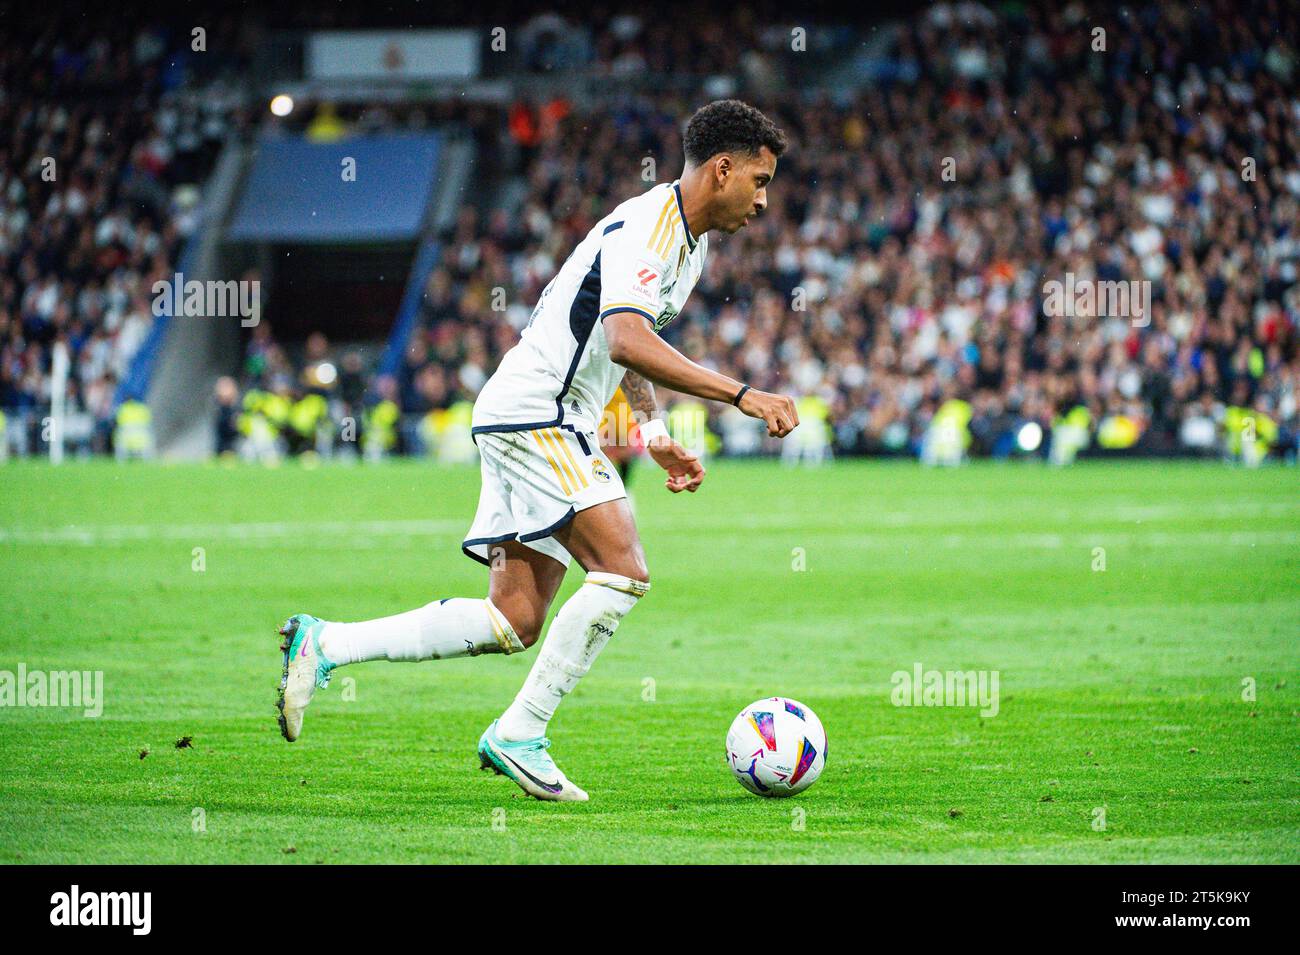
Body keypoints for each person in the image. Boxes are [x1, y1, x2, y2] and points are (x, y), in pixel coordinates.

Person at [276, 100, 798, 801]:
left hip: (542, 414)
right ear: (721, 169)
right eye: (759, 181)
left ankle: (326, 642)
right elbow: (626, 339)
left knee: (514, 619)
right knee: (624, 568)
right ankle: (520, 731)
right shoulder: (650, 229)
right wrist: (741, 395)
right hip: (538, 413)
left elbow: (626, 352)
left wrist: (652, 434)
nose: (764, 201)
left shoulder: (691, 245)